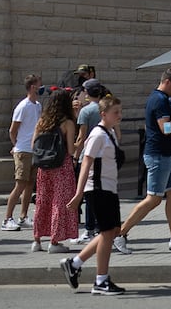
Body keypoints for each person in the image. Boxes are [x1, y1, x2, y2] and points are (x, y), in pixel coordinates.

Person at [112, 67, 171, 253]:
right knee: (153, 199)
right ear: (167, 82)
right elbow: (166, 129)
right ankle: (120, 234)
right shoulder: (160, 100)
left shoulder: (158, 98)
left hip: (164, 154)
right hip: (159, 155)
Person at [61, 96, 126, 295]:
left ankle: (74, 263)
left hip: (109, 189)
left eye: (120, 112)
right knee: (106, 233)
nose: (119, 115)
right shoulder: (97, 135)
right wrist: (78, 193)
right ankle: (101, 280)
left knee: (113, 231)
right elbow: (86, 163)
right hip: (98, 189)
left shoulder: (109, 133)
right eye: (115, 112)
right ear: (103, 114)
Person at [31, 90, 79, 252]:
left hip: (44, 167)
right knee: (59, 202)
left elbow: (33, 144)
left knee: (42, 201)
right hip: (61, 167)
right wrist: (80, 143)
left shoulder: (42, 121)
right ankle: (54, 241)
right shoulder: (67, 123)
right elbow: (71, 150)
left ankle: (36, 240)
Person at [2, 75, 42, 231]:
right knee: (20, 185)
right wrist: (16, 145)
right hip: (23, 151)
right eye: (39, 85)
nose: (41, 88)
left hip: (33, 150)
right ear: (32, 87)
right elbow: (13, 130)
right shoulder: (23, 106)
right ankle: (7, 219)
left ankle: (23, 216)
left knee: (30, 184)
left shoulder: (37, 106)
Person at [72, 79, 107, 242]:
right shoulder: (105, 108)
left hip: (89, 155)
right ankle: (101, 227)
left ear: (87, 92)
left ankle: (89, 229)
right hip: (104, 154)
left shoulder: (86, 111)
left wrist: (75, 156)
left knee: (89, 193)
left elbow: (81, 137)